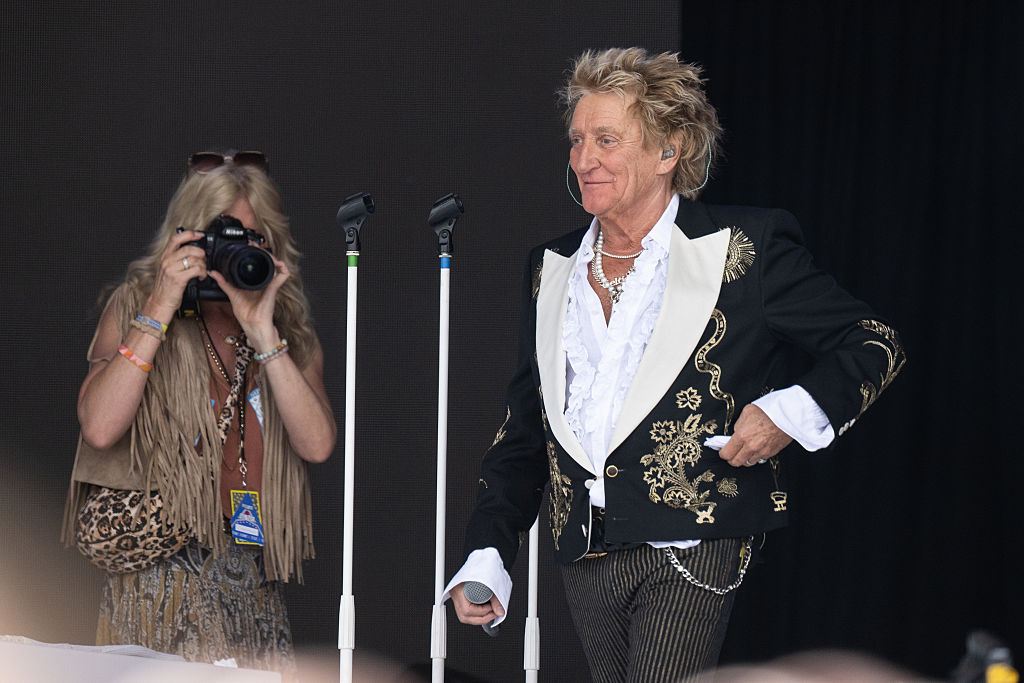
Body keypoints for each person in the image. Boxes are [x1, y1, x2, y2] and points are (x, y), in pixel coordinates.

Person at [444, 48, 905, 682]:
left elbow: (872, 342)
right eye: (577, 140)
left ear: (670, 152)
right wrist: (488, 550)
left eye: (607, 139)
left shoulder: (743, 248)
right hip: (586, 552)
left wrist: (788, 413)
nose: (582, 159)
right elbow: (526, 427)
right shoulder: (548, 268)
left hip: (693, 540)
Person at [62, 150, 336, 677]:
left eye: (251, 239)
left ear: (273, 247)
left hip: (250, 593)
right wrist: (162, 303)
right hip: (155, 596)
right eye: (218, 238)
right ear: (184, 237)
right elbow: (98, 427)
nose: (233, 252)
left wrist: (263, 333)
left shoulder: (290, 333)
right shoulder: (136, 307)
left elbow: (317, 444)